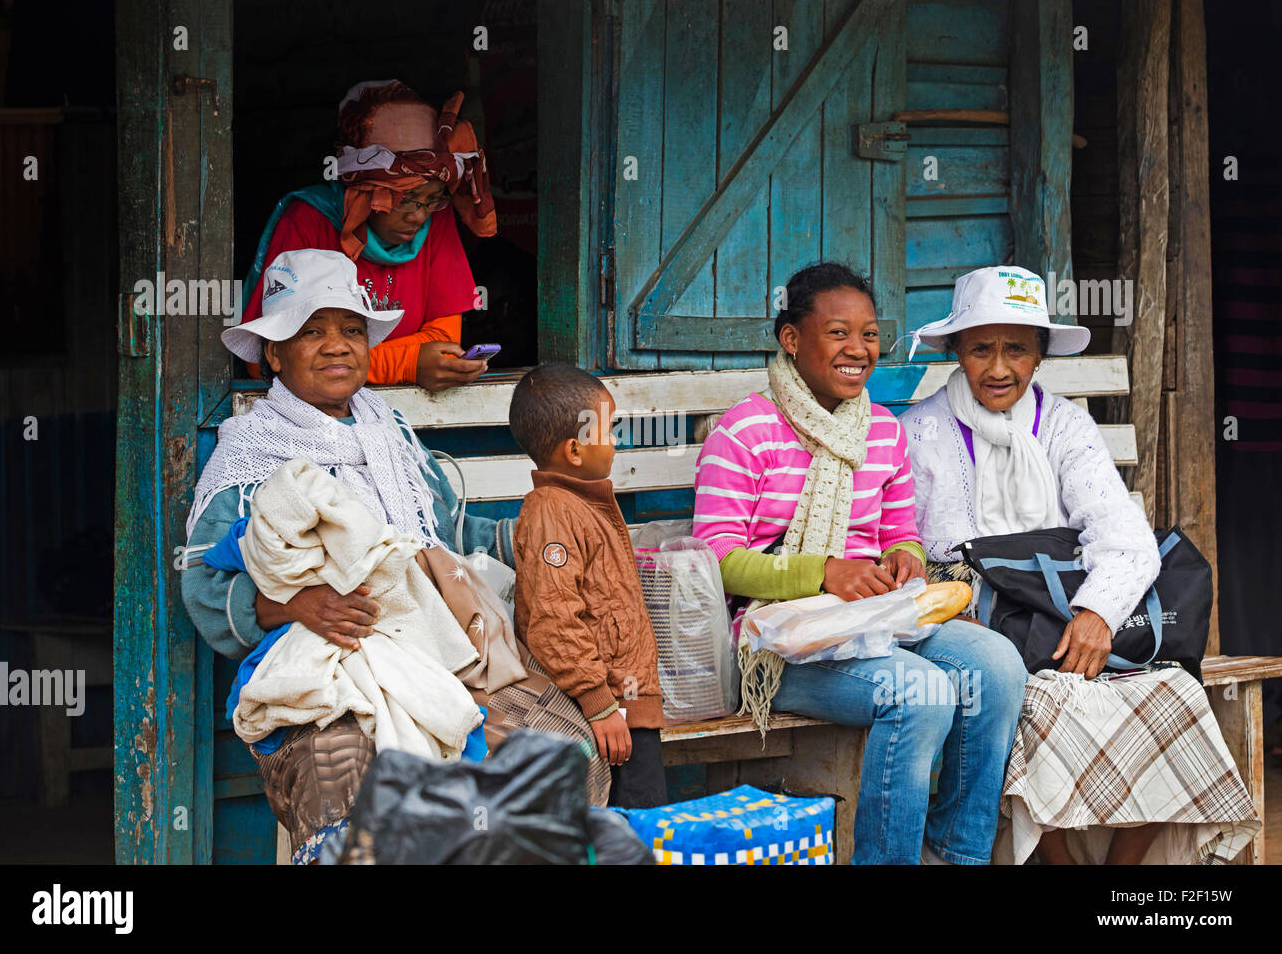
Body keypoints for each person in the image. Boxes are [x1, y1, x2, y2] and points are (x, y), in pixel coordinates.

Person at [183, 249, 607, 864]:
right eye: (311, 332)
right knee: (351, 800)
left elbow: (450, 533)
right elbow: (200, 582)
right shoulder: (250, 457)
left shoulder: (391, 434)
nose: (336, 346)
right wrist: (298, 605)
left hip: (444, 646)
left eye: (351, 330)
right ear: (274, 354)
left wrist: (536, 537)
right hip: (327, 672)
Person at [902, 264, 1260, 864]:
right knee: (1040, 702)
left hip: (1069, 614)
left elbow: (1123, 535)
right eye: (981, 348)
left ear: (1039, 355)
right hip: (980, 625)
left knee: (1174, 693)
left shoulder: (1065, 424)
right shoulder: (921, 432)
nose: (998, 368)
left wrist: (1097, 611)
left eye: (1016, 349)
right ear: (957, 352)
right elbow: (926, 551)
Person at [691, 262, 1028, 865]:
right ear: (792, 339)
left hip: (874, 620)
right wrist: (822, 571)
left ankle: (957, 854)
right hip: (777, 641)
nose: (858, 349)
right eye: (839, 333)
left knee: (997, 665)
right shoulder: (744, 432)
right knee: (921, 691)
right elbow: (714, 560)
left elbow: (900, 532)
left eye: (870, 334)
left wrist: (904, 559)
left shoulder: (881, 430)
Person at [238, 79, 496, 390]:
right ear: (363, 191)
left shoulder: (435, 220)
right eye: (404, 200)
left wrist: (340, 364)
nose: (419, 215)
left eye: (431, 199)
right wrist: (406, 363)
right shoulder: (307, 221)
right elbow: (264, 359)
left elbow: (442, 341)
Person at [509, 364, 668, 809]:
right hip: (606, 711)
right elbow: (552, 617)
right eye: (609, 430)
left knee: (641, 828)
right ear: (576, 451)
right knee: (627, 834)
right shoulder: (552, 511)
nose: (615, 442)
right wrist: (599, 703)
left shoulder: (585, 505)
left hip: (628, 707)